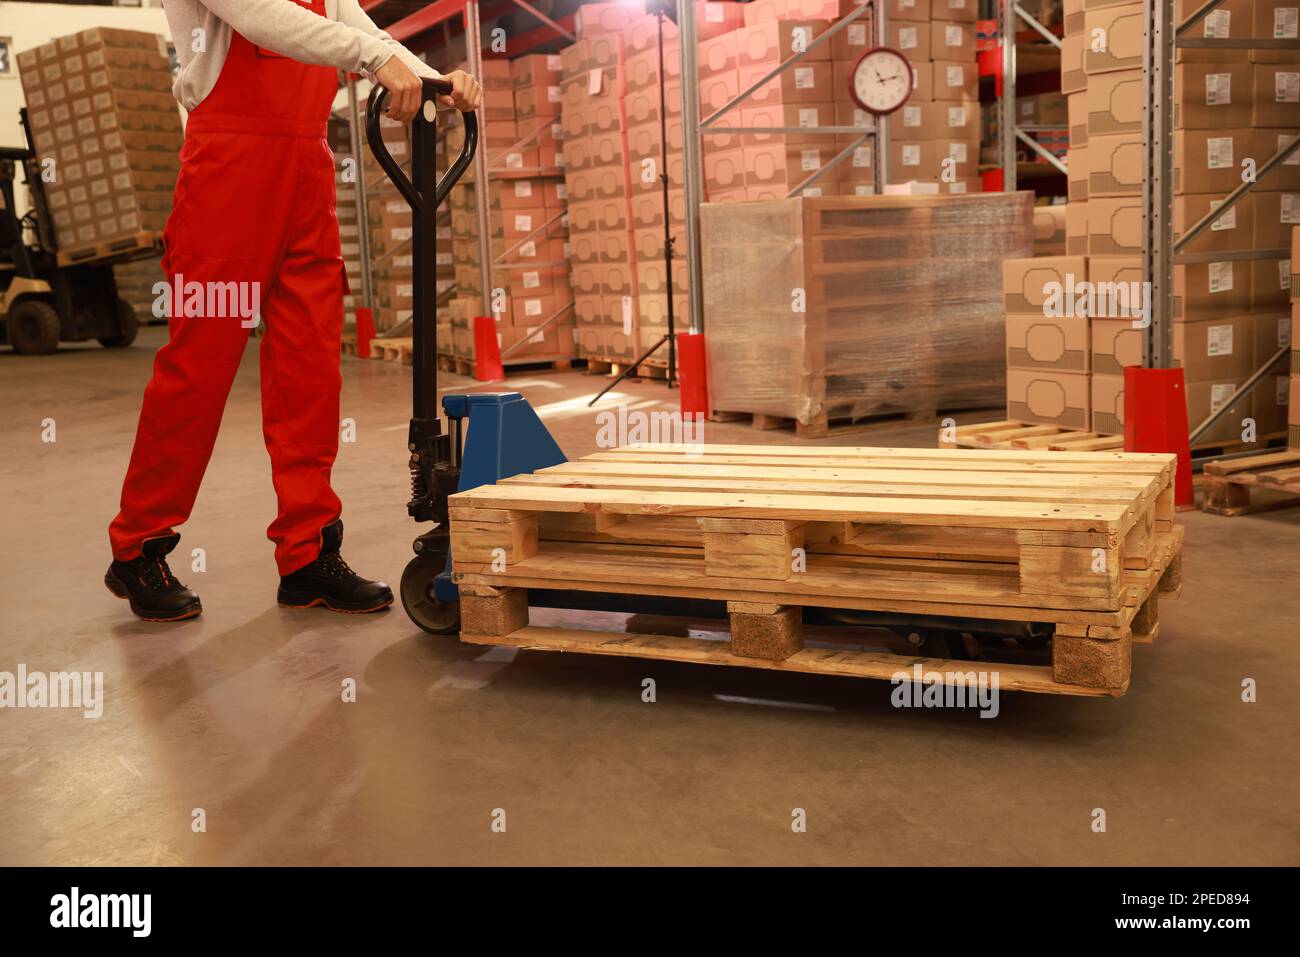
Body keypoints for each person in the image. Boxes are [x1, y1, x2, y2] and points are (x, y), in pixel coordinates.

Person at [104, 0, 482, 621]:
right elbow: (261, 17)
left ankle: (307, 554)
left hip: (305, 170)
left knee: (310, 367)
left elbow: (357, 27)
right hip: (228, 173)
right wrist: (381, 60)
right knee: (199, 368)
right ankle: (139, 545)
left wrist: (434, 78)